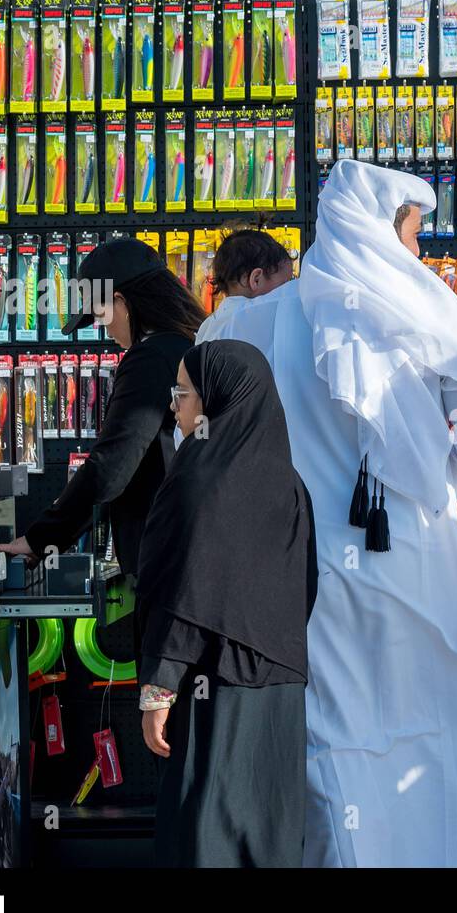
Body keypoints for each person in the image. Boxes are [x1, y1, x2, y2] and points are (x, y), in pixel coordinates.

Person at [200, 159, 457, 867]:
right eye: (413, 236)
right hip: (411, 564)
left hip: (306, 576)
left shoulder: (251, 320)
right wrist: (435, 484)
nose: (420, 255)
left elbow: (200, 433)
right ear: (383, 233)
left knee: (338, 741)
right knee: (443, 733)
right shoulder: (418, 308)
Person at [135, 340, 316, 868]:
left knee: (202, 838)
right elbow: (305, 584)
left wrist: (157, 690)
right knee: (269, 843)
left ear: (216, 402)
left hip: (211, 691)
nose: (174, 405)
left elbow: (182, 594)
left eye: (183, 393)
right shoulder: (289, 486)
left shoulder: (196, 478)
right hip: (280, 695)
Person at [0, 239, 200, 616]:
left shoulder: (150, 358)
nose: (103, 329)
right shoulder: (192, 344)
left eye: (100, 313)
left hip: (168, 561)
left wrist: (41, 539)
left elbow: (111, 467)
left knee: (162, 674)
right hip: (196, 553)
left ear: (121, 300)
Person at [196, 227, 296, 344]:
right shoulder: (258, 321)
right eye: (285, 284)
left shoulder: (207, 325)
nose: (289, 289)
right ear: (256, 280)